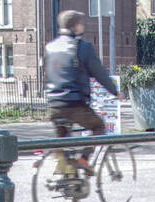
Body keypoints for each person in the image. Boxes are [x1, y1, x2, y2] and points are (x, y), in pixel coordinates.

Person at [44, 10, 120, 175]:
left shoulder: (50, 47)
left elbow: (49, 74)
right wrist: (115, 92)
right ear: (75, 26)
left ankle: (68, 180)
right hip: (74, 104)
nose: (82, 26)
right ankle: (84, 159)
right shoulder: (83, 47)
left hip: (54, 105)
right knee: (99, 127)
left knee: (62, 144)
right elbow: (99, 72)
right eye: (80, 23)